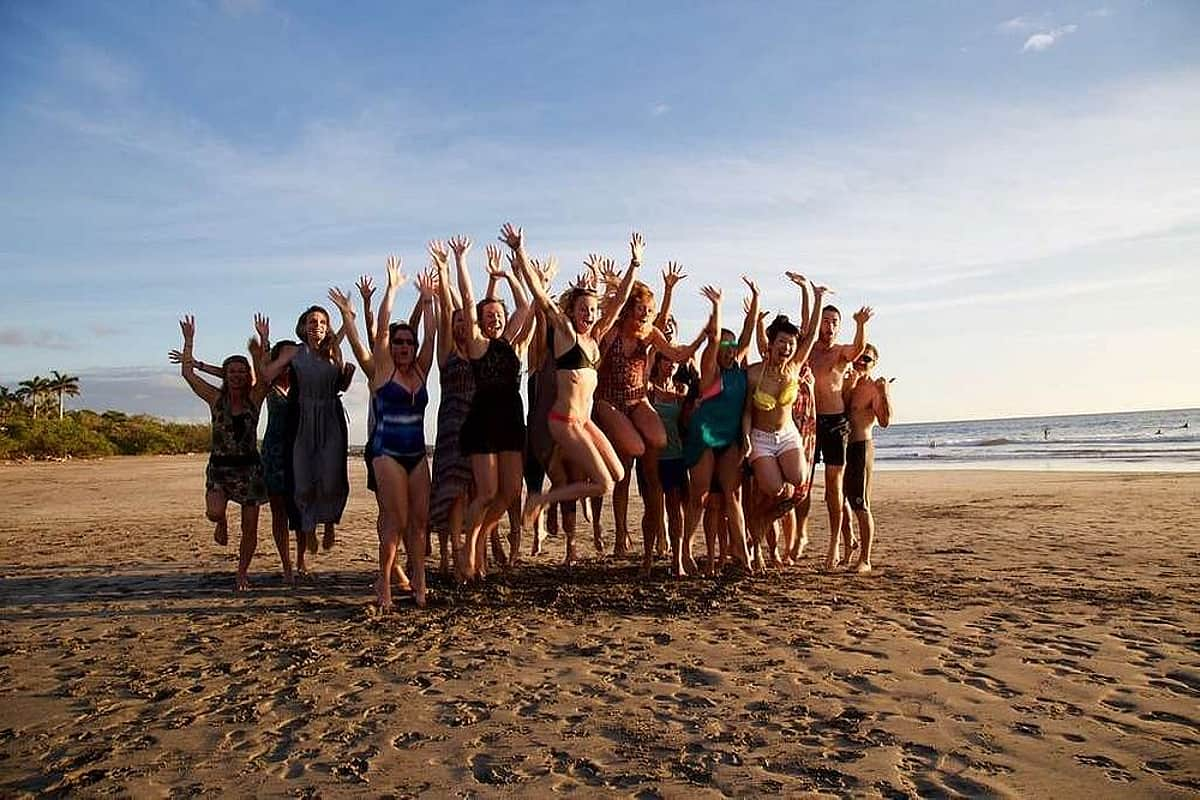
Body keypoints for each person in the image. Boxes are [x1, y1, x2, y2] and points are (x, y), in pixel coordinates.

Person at [507, 226, 640, 566]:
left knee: (619, 476)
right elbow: (539, 296)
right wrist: (520, 252)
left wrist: (634, 264)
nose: (590, 314)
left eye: (593, 310)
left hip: (584, 422)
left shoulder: (595, 340)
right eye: (583, 308)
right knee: (604, 485)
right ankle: (543, 500)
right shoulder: (565, 334)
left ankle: (546, 499)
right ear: (572, 310)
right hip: (563, 422)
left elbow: (621, 301)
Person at [443, 233, 533, 581]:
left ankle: (477, 540)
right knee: (487, 492)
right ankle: (469, 549)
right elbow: (467, 299)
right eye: (489, 315)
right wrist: (462, 260)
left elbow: (525, 307)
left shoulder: (509, 341)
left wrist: (507, 275)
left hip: (511, 421)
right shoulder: (478, 345)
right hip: (483, 423)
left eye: (499, 315)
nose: (495, 319)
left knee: (510, 493)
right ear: (481, 320)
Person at [175, 315, 268, 591]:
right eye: (233, 372)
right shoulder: (215, 399)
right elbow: (188, 374)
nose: (238, 375)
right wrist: (189, 341)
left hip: (250, 469)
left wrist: (263, 341)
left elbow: (264, 374)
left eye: (242, 371)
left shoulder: (255, 398)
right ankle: (222, 520)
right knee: (214, 512)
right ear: (226, 376)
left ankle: (242, 573)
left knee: (250, 529)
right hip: (220, 468)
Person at [366, 257, 436, 610]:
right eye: (399, 342)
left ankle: (420, 581)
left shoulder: (422, 370)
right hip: (387, 453)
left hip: (416, 454)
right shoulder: (384, 370)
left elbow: (433, 333)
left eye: (409, 342)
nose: (405, 347)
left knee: (420, 523)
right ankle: (384, 584)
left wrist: (428, 300)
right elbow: (380, 329)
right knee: (396, 520)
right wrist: (392, 290)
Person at [259, 305, 352, 563]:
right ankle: (308, 524)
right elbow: (267, 374)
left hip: (331, 415)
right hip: (303, 417)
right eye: (312, 321)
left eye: (322, 321)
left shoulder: (334, 350)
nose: (317, 325)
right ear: (303, 326)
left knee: (332, 474)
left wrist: (347, 377)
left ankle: (330, 522)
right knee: (303, 474)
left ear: (327, 326)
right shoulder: (294, 351)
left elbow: (339, 385)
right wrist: (265, 346)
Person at [679, 279, 759, 575]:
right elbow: (713, 340)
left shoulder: (739, 369)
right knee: (699, 495)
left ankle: (741, 554)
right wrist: (718, 306)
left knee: (732, 495)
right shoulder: (710, 370)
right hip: (704, 437)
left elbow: (748, 334)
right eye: (724, 345)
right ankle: (685, 549)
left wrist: (756, 299)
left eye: (732, 345)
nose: (728, 349)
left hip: (730, 439)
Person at [743, 274, 824, 567]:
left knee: (799, 481)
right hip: (761, 441)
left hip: (788, 435)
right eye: (782, 342)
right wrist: (746, 439)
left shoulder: (794, 368)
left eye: (791, 343)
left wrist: (816, 297)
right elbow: (748, 411)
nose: (787, 348)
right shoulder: (753, 373)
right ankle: (758, 527)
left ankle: (762, 521)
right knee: (774, 489)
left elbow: (812, 335)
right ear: (770, 344)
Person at [799, 301, 873, 571]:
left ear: (838, 327)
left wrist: (860, 324)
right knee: (803, 482)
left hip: (835, 423)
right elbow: (805, 326)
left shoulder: (841, 353)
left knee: (834, 486)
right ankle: (800, 535)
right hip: (810, 421)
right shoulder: (810, 351)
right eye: (825, 320)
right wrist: (807, 294)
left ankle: (834, 545)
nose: (828, 326)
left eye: (833, 322)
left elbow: (858, 350)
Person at [839, 344, 892, 573]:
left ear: (875, 363)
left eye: (867, 359)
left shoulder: (873, 388)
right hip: (842, 448)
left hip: (862, 446)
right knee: (839, 502)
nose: (861, 362)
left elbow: (885, 421)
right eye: (859, 357)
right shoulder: (847, 381)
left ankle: (866, 559)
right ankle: (849, 545)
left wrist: (884, 393)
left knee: (860, 504)